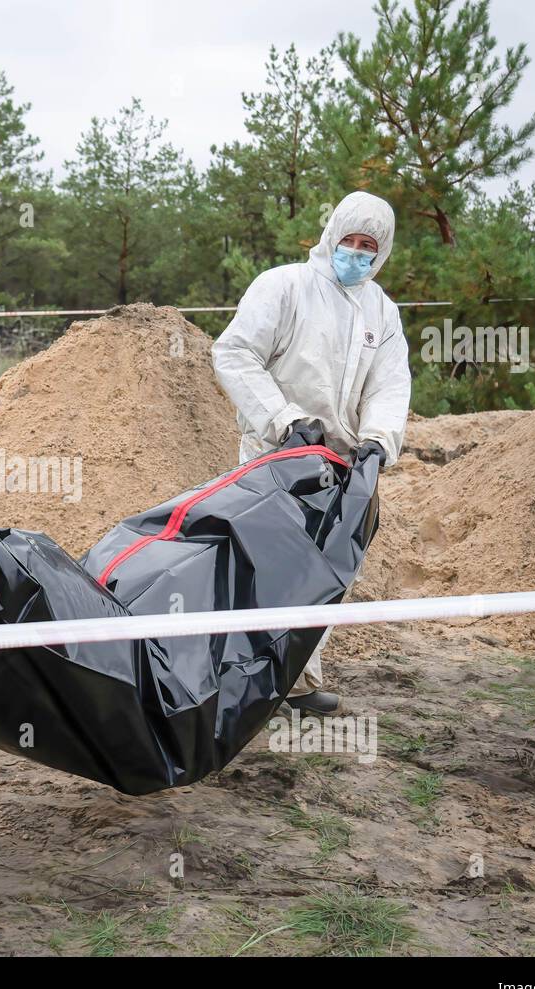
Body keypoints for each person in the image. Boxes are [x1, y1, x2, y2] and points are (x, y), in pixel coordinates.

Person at [212, 191, 411, 716]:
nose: (358, 252)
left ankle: (297, 683)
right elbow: (234, 352)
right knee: (264, 567)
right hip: (275, 457)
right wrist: (285, 421)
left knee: (323, 574)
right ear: (332, 235)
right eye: (351, 240)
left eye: (370, 246)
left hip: (341, 468)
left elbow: (389, 386)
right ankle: (238, 683)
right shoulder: (285, 286)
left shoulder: (382, 312)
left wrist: (379, 442)